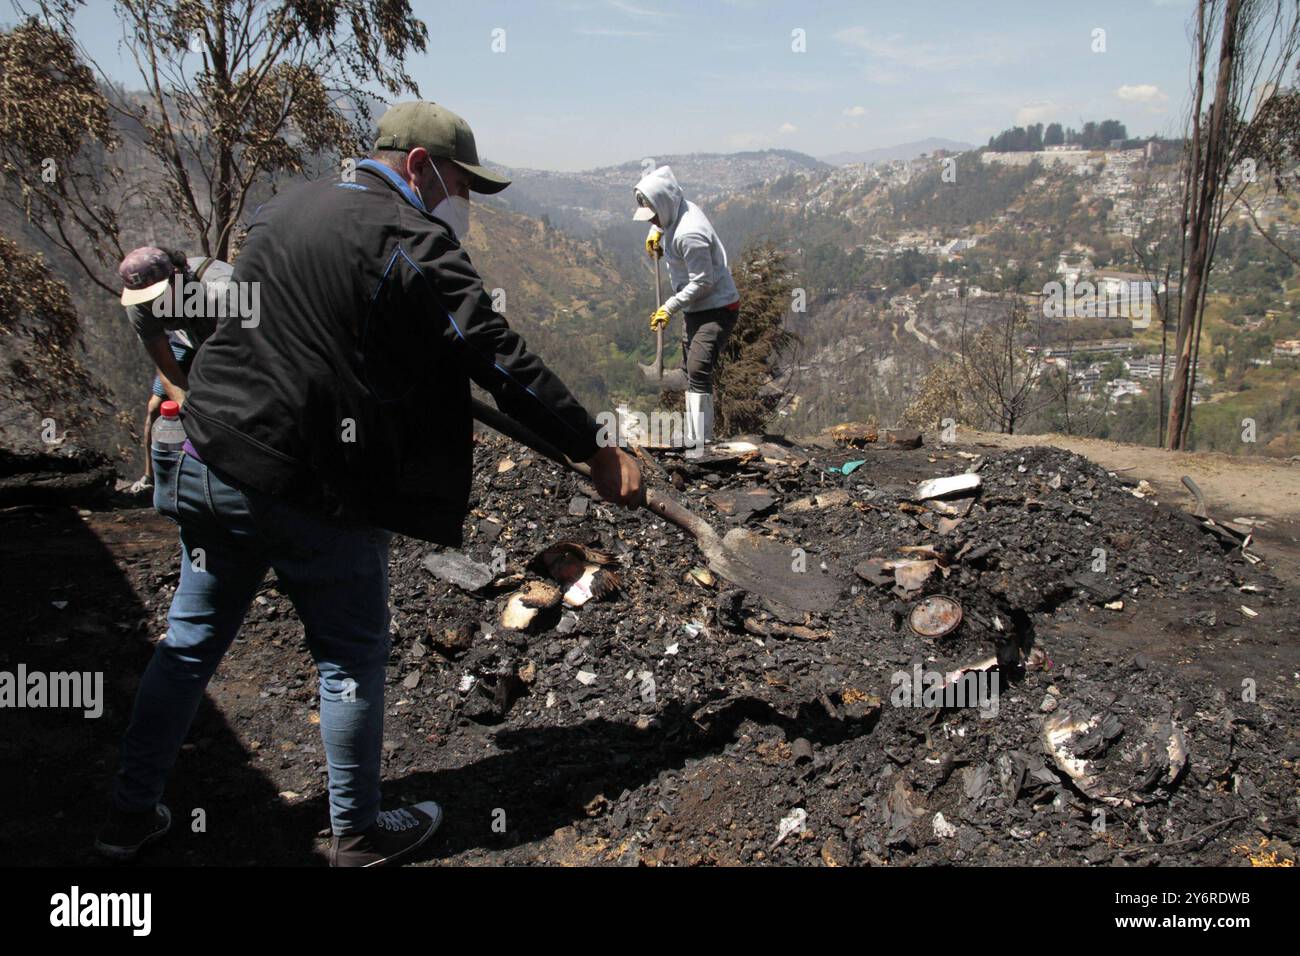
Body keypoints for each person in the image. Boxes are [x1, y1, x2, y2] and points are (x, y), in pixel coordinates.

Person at [95, 101, 642, 867]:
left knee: (187, 643)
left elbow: (285, 328)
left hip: (211, 459)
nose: (467, 204)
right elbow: (496, 352)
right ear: (418, 165)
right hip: (309, 487)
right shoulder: (409, 237)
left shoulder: (286, 208)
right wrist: (592, 447)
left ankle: (127, 814)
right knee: (349, 657)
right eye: (462, 183)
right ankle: (356, 833)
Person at [634, 165, 740, 446]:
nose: (651, 220)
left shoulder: (689, 234)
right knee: (689, 369)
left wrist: (669, 307)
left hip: (716, 307)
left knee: (697, 369)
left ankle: (700, 440)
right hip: (696, 306)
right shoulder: (676, 209)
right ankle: (695, 434)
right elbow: (664, 216)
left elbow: (703, 282)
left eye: (654, 216)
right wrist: (657, 230)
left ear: (665, 204)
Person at [118, 247, 232, 494]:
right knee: (158, 408)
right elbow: (165, 365)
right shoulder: (138, 303)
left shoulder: (221, 289)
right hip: (186, 340)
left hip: (232, 344)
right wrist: (186, 406)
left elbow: (248, 354)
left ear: (176, 275)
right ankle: (152, 481)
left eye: (157, 296)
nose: (151, 304)